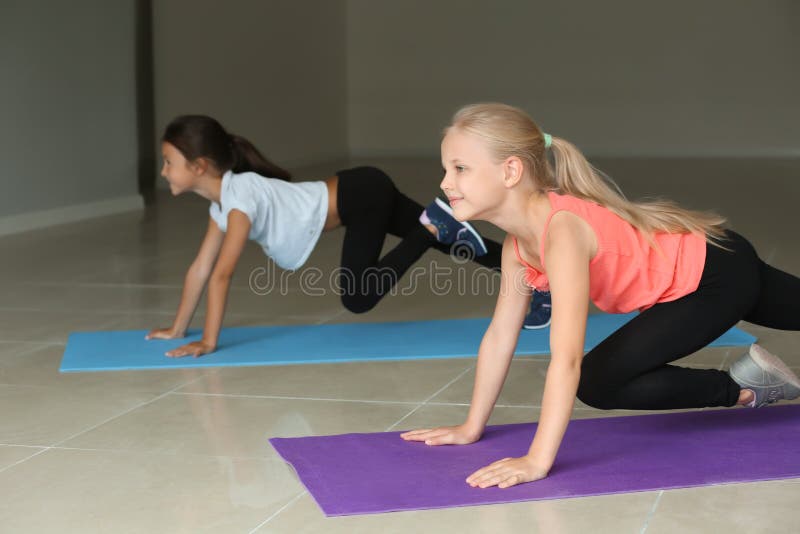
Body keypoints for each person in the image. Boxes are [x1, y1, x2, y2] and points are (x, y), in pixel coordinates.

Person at [401, 102, 800, 489]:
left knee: (596, 380)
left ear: (511, 171)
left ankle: (743, 387)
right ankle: (751, 385)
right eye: (446, 169)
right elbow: (500, 335)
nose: (445, 183)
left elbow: (567, 359)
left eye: (460, 168)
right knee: (599, 381)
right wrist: (471, 427)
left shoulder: (563, 233)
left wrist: (537, 460)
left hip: (714, 276)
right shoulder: (516, 247)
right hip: (710, 270)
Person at [145, 115, 547, 357]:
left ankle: (429, 228)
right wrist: (178, 328)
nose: (164, 171)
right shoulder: (222, 206)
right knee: (455, 240)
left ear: (199, 166)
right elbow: (200, 269)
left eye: (168, 162)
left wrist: (208, 341)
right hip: (361, 189)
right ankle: (542, 277)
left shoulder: (240, 198)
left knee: (358, 297)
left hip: (360, 197)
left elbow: (221, 274)